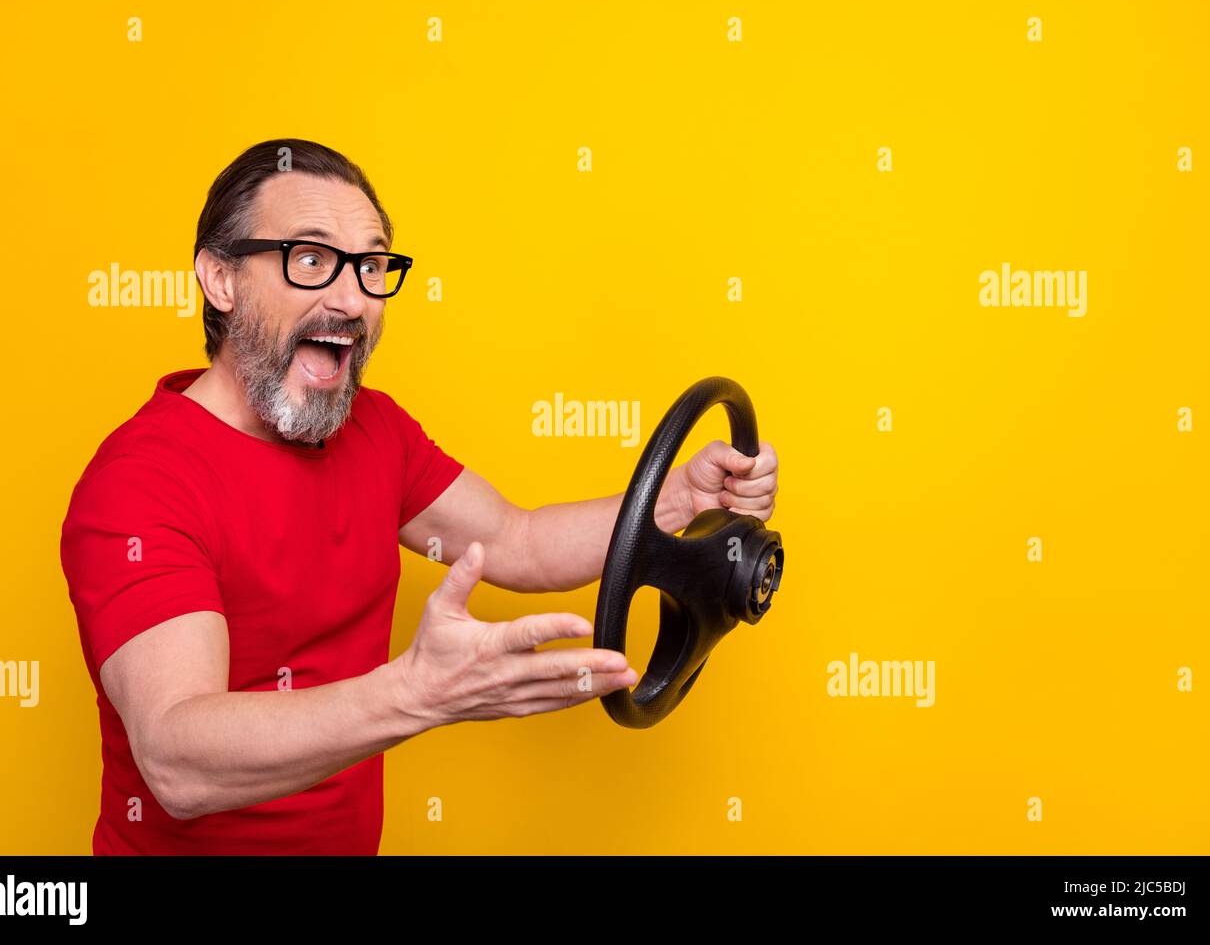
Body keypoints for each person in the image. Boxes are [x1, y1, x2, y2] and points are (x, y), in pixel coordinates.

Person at [59, 138, 779, 854]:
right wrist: (416, 694)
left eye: (371, 267)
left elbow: (516, 541)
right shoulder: (142, 482)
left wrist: (681, 500)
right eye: (311, 260)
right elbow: (177, 761)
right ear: (220, 279)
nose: (352, 299)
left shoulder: (374, 427)